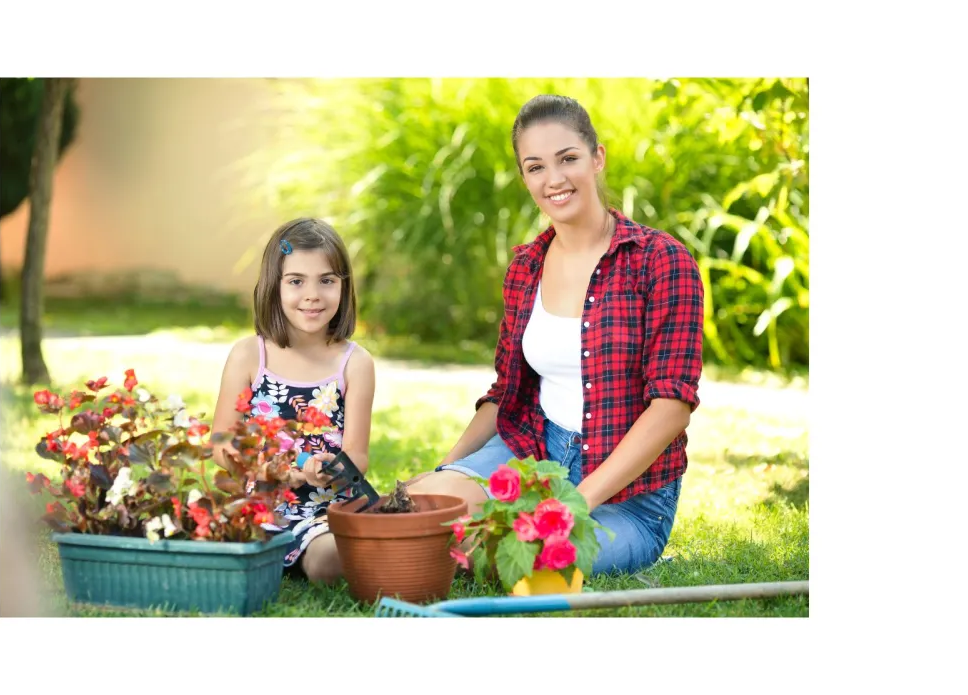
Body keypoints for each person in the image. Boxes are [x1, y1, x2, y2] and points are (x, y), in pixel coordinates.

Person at [408, 94, 704, 576]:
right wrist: (443, 470)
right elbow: (505, 393)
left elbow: (671, 406)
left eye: (567, 159)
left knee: (512, 557)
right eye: (536, 167)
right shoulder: (526, 266)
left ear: (597, 157)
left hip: (627, 500)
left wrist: (572, 506)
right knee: (417, 514)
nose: (554, 179)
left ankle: (527, 531)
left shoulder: (661, 261)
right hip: (531, 457)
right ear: (525, 177)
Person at [212, 217, 376, 585]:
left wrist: (330, 468)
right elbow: (221, 444)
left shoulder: (355, 363)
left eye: (327, 280)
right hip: (258, 503)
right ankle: (268, 551)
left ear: (344, 286)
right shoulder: (249, 356)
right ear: (274, 286)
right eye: (296, 281)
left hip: (323, 511)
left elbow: (357, 455)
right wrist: (274, 471)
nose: (312, 295)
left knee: (328, 561)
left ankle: (309, 555)